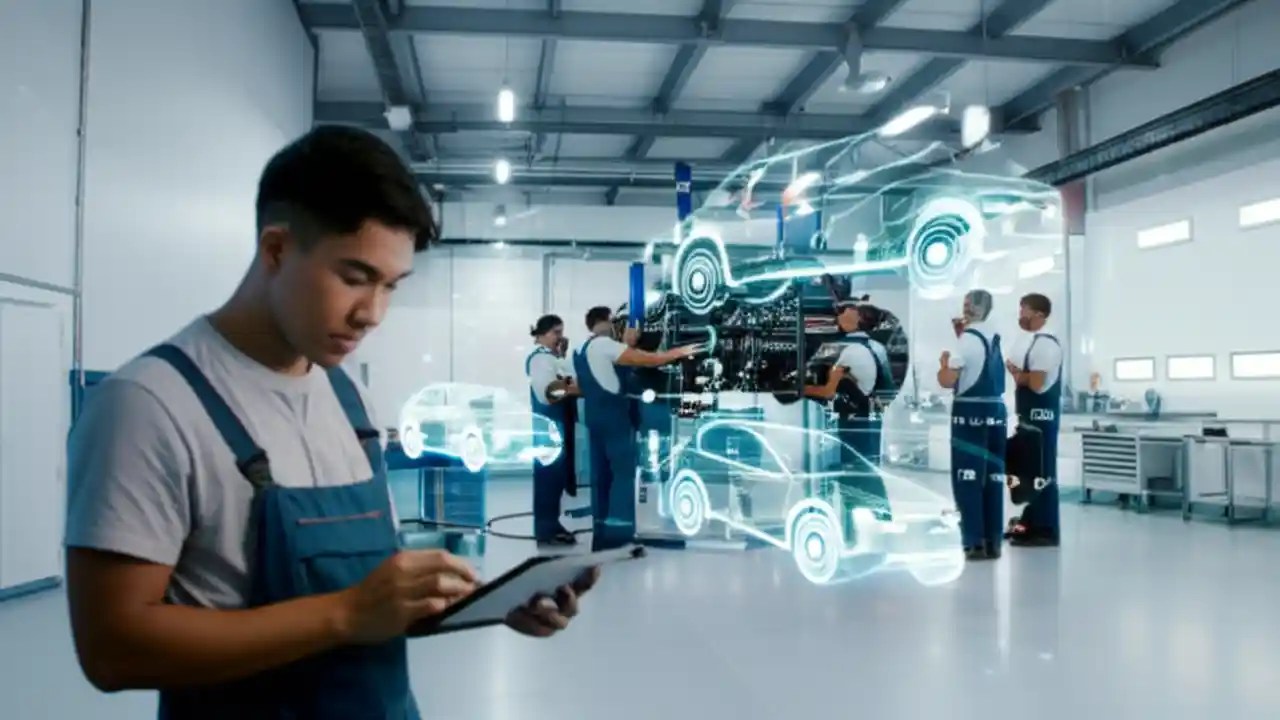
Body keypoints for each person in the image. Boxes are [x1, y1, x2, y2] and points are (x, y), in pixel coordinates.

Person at [64, 126, 598, 719]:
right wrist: (346, 614)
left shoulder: (348, 399)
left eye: (391, 286)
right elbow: (111, 650)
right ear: (276, 250)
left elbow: (371, 602)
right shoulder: (149, 404)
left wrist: (490, 604)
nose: (372, 314)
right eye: (354, 277)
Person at [573, 306, 699, 551]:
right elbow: (651, 360)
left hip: (594, 417)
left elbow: (591, 379)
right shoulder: (605, 345)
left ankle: (601, 535)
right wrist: (680, 351)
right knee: (623, 474)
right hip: (614, 418)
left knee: (601, 477)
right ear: (608, 321)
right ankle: (620, 536)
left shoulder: (579, 349)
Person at [937, 289, 1008, 561]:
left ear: (973, 308)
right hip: (997, 410)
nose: (964, 309)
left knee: (968, 478)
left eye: (966, 304)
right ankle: (994, 541)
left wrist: (944, 363)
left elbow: (947, 379)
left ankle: (973, 542)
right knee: (993, 478)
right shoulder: (995, 336)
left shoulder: (966, 339)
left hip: (970, 412)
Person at [805, 301, 895, 518]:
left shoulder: (842, 348)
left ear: (858, 320)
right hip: (872, 416)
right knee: (867, 464)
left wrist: (801, 387)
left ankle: (855, 512)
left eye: (846, 311)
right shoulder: (878, 348)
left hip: (852, 417)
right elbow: (889, 387)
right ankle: (877, 513)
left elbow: (826, 390)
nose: (840, 314)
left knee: (853, 464)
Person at [1004, 293, 1063, 547]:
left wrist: (1018, 375)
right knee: (1029, 472)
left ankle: (1045, 528)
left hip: (1042, 420)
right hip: (1029, 420)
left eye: (1024, 310)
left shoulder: (1046, 345)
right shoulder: (1032, 342)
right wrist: (1018, 372)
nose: (1021, 315)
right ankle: (1031, 521)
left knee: (1043, 473)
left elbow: (1037, 384)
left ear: (1039, 314)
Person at [526, 314, 579, 546]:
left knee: (556, 479)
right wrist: (577, 385)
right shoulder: (539, 359)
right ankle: (546, 530)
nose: (561, 338)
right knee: (549, 479)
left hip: (556, 425)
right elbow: (548, 393)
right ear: (542, 334)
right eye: (556, 333)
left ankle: (551, 525)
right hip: (549, 427)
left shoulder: (550, 358)